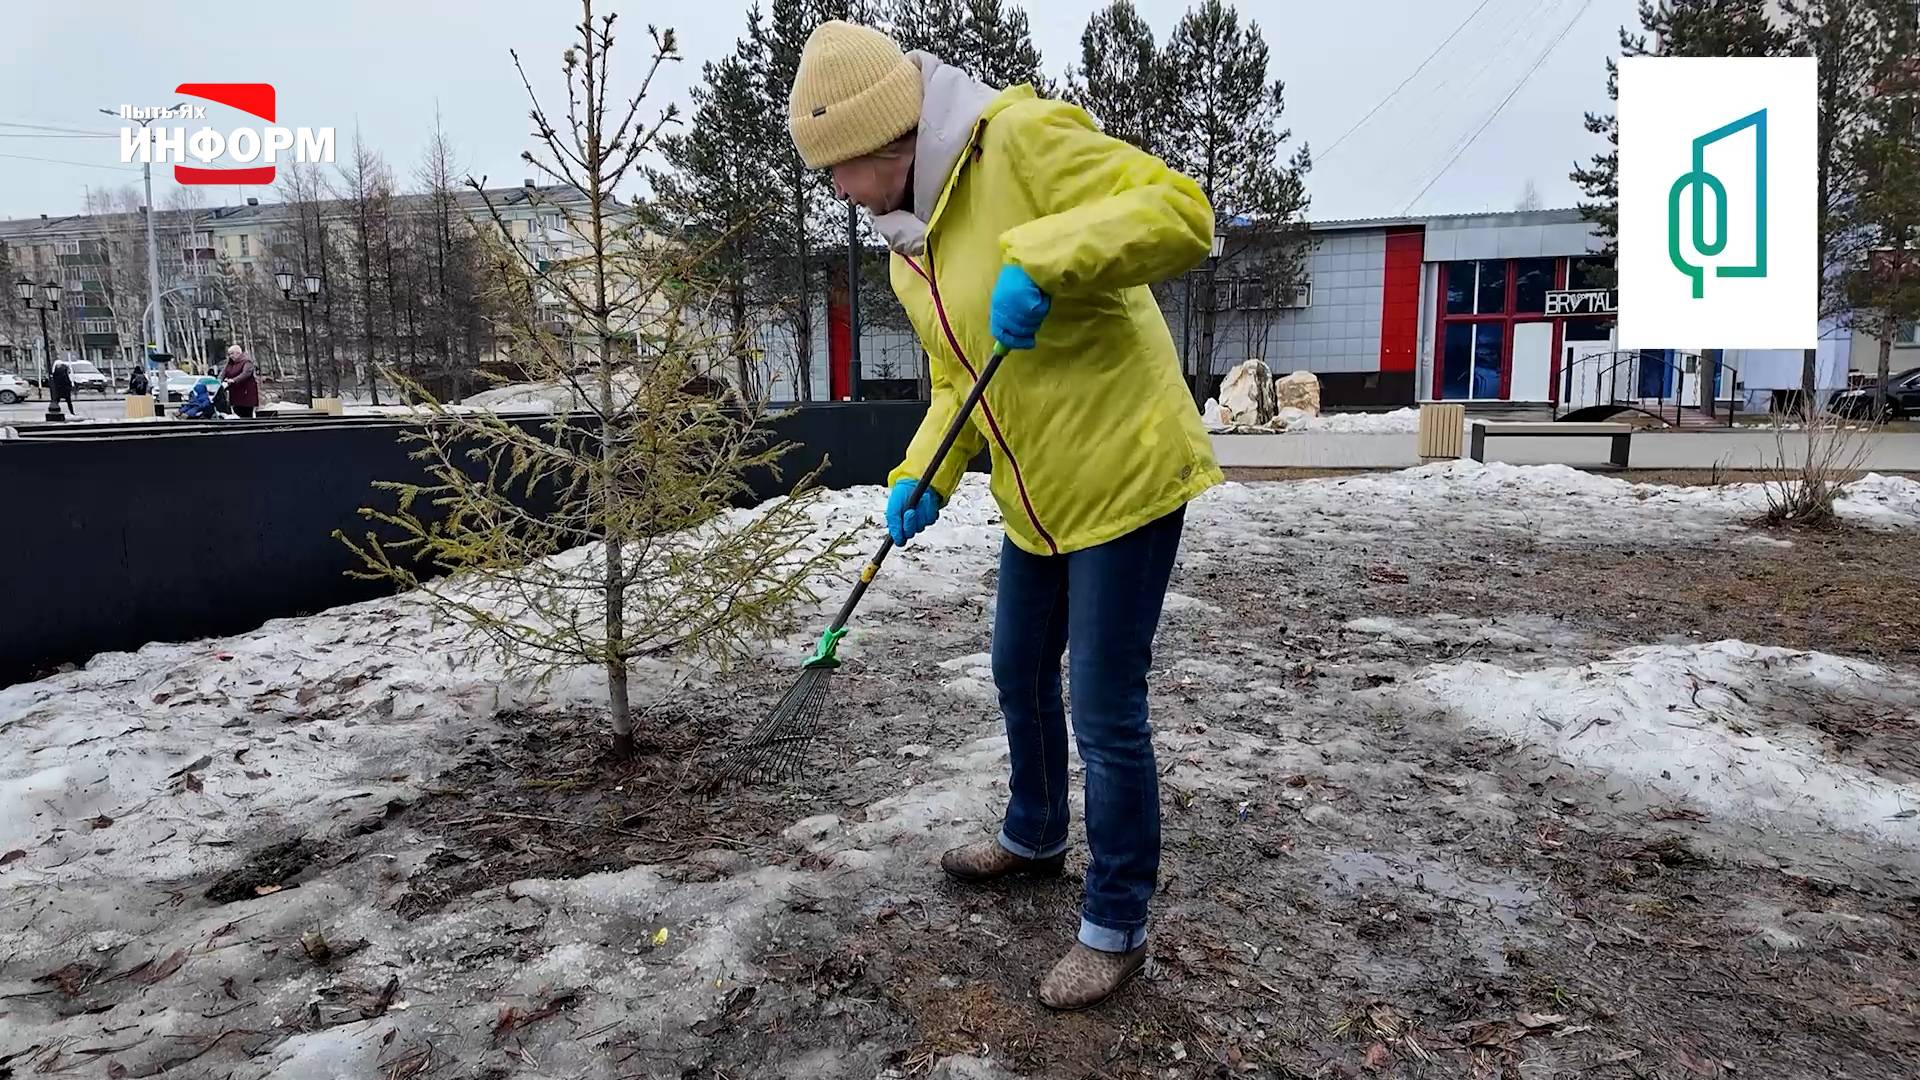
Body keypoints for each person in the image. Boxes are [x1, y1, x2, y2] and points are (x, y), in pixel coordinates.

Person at [787, 22, 1223, 1009]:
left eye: (840, 172)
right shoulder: (912, 253)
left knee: (1105, 706)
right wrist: (923, 477)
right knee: (1017, 667)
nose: (841, 196)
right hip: (1037, 495)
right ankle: (1033, 834)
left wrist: (1052, 254)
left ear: (885, 139)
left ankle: (1115, 922)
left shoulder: (1020, 140)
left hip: (1124, 472)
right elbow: (957, 384)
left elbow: (1179, 213)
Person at [220, 345, 258, 418]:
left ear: (238, 353)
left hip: (246, 393)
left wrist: (234, 380)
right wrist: (219, 381)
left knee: (246, 414)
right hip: (235, 394)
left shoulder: (247, 362)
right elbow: (223, 373)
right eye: (229, 354)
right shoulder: (229, 364)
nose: (230, 356)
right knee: (237, 412)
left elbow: (245, 374)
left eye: (232, 353)